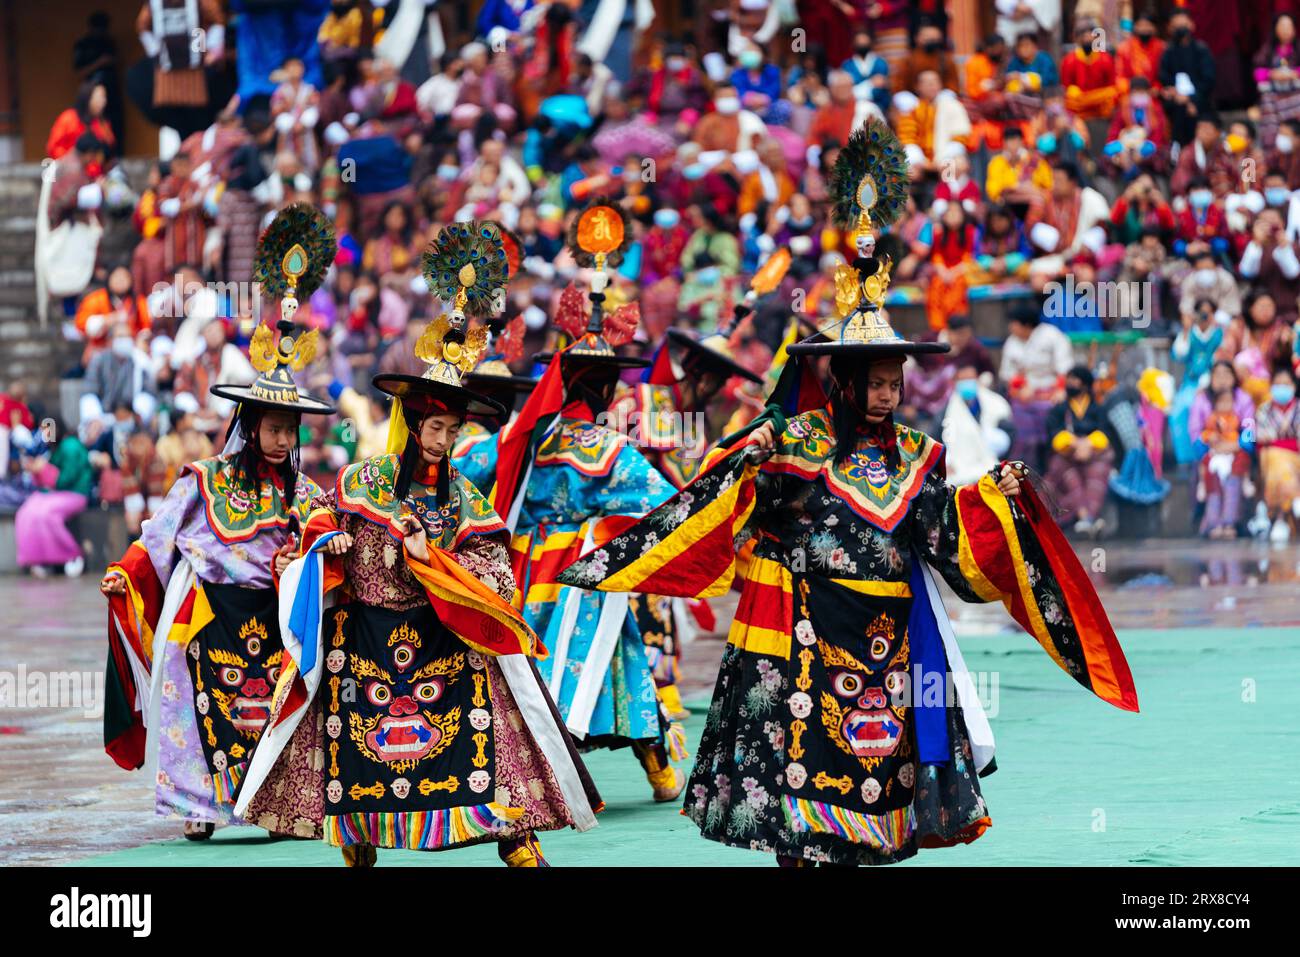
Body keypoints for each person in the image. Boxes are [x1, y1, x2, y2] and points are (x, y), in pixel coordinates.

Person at [557, 121, 1137, 866]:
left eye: (896, 378)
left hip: (886, 646)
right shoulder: (794, 443)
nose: (890, 392)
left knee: (871, 807)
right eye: (878, 379)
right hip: (803, 641)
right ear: (844, 379)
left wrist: (994, 498)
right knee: (802, 817)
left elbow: (945, 540)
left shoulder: (919, 456)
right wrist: (746, 460)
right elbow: (725, 506)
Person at [238, 223, 600, 867]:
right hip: (367, 636)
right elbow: (313, 537)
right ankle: (355, 833)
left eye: (452, 431)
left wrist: (433, 558)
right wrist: (325, 546)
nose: (443, 442)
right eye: (435, 427)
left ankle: (513, 835)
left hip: (441, 634)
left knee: (494, 709)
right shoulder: (360, 482)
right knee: (351, 729)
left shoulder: (464, 498)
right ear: (411, 424)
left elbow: (495, 570)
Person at [99, 204, 338, 841]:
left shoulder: (305, 492)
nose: (283, 437)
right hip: (206, 616)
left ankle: (275, 805)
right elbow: (157, 539)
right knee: (195, 713)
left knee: (274, 710)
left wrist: (310, 557)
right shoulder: (203, 480)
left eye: (291, 427)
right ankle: (198, 811)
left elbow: (329, 538)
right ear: (251, 425)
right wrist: (126, 575)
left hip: (271, 618)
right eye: (274, 425)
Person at [468, 206, 686, 803]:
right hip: (587, 571)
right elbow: (665, 501)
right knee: (619, 662)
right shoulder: (608, 447)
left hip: (528, 569)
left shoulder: (520, 440)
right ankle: (657, 770)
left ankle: (541, 771)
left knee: (537, 669)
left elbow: (466, 470)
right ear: (606, 388)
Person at [15, 418, 93, 578]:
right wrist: (36, 469)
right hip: (55, 494)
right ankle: (41, 560)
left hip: (75, 494)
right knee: (26, 512)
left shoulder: (70, 446)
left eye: (48, 429)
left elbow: (65, 479)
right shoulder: (55, 447)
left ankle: (73, 555)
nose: (45, 433)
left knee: (46, 514)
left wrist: (43, 468)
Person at [1044, 365, 1114, 537]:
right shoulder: (1060, 408)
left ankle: (1088, 518)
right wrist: (1074, 443)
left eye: (1074, 380)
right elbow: (1054, 434)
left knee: (1096, 475)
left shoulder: (1098, 409)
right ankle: (1086, 517)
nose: (1070, 384)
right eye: (1069, 381)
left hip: (1093, 455)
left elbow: (1105, 433)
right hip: (1066, 455)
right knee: (1070, 476)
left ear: (1085, 384)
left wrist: (1088, 445)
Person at [1255, 366, 1300, 542]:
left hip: (1295, 460)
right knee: (1275, 458)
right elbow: (1255, 439)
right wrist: (1287, 443)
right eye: (1278, 383)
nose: (1282, 387)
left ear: (1294, 386)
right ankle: (1295, 498)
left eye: (1286, 383)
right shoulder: (1261, 410)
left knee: (1276, 457)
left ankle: (1280, 519)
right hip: (1270, 459)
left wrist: (1275, 442)